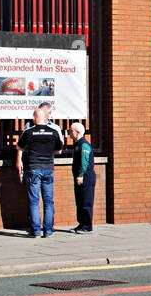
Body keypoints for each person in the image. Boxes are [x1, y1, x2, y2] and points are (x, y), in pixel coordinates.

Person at [17, 102, 64, 237]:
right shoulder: (54, 131)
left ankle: (36, 230)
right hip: (48, 168)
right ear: (46, 117)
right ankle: (48, 230)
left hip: (33, 168)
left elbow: (20, 147)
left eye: (34, 116)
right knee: (48, 201)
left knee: (34, 201)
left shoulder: (28, 131)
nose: (32, 119)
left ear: (37, 118)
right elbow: (59, 150)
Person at [69, 122, 96, 233]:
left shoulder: (84, 145)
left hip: (86, 177)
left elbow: (84, 162)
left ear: (78, 132)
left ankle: (87, 226)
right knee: (79, 201)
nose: (69, 133)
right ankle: (81, 223)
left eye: (71, 131)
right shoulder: (77, 144)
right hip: (80, 177)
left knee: (86, 202)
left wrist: (80, 175)